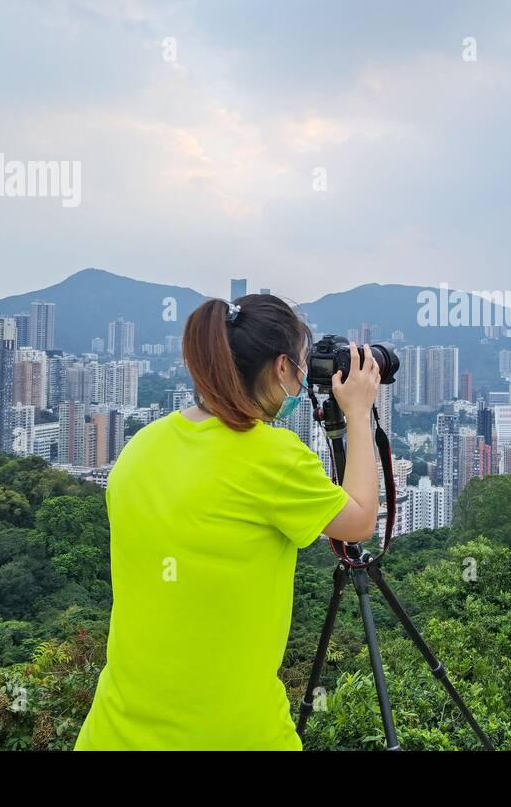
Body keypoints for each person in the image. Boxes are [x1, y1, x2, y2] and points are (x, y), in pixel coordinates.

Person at [75, 293, 380, 750]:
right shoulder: (274, 458)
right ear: (281, 369)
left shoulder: (140, 447)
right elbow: (359, 522)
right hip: (233, 736)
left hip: (112, 734)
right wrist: (357, 412)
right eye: (299, 369)